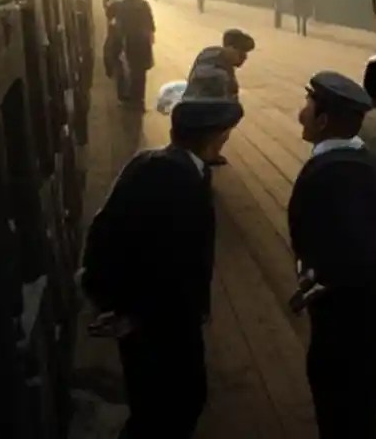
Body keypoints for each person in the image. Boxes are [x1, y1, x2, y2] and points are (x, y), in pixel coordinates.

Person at [79, 85, 243, 439]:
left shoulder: (158, 163)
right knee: (170, 406)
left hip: (159, 312)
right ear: (218, 136)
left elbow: (103, 230)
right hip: (159, 317)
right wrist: (129, 311)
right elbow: (165, 261)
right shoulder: (176, 178)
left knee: (165, 401)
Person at [289, 71, 376, 438]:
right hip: (363, 318)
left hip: (344, 325)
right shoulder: (361, 162)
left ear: (322, 121)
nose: (300, 114)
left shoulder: (334, 173)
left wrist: (318, 283)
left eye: (307, 106)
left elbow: (355, 251)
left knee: (341, 415)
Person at [186, 28, 255, 165]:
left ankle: (207, 151)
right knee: (233, 111)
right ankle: (208, 153)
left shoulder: (208, 54)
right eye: (241, 52)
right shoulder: (218, 68)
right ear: (230, 48)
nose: (244, 58)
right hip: (201, 109)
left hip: (190, 105)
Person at [116, 0, 155, 109]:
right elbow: (151, 24)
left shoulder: (127, 6)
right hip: (139, 43)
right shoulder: (143, 6)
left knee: (135, 70)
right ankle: (137, 98)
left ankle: (135, 97)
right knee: (139, 71)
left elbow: (120, 23)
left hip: (134, 42)